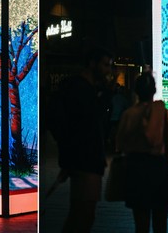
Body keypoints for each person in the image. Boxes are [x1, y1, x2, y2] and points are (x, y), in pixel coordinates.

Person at [47, 47, 114, 233]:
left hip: (84, 158)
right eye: (105, 65)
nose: (108, 70)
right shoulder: (80, 89)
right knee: (84, 214)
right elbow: (83, 124)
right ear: (92, 63)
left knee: (81, 213)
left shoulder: (84, 88)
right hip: (85, 159)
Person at [116, 71, 168, 233]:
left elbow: (120, 144)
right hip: (160, 173)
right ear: (154, 91)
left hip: (136, 173)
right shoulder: (165, 115)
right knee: (160, 225)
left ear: (136, 91)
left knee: (140, 225)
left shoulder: (129, 115)